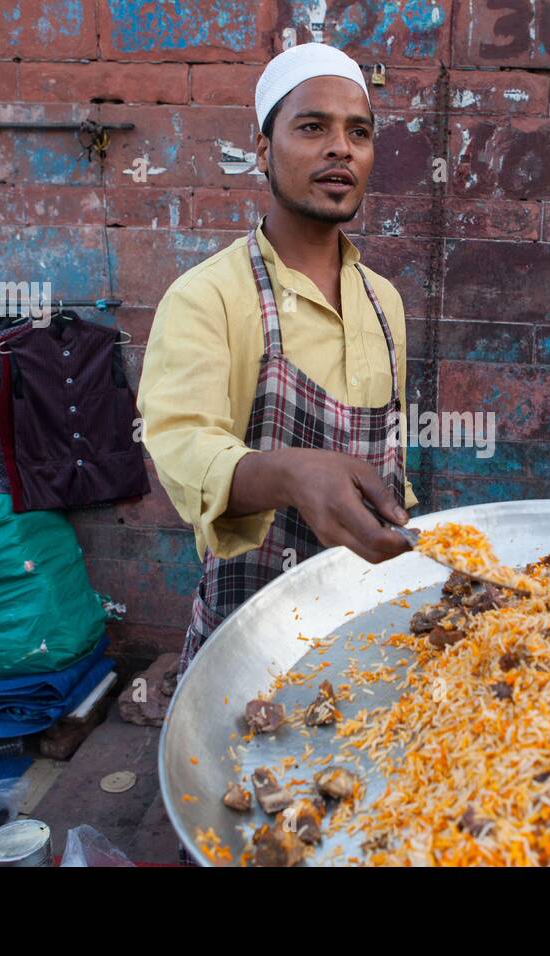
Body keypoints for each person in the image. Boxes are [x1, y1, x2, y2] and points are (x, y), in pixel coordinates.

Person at [137, 43, 416, 679]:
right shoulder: (207, 297)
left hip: (368, 620)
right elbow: (182, 451)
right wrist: (291, 474)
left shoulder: (385, 303)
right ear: (263, 152)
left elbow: (389, 454)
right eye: (313, 127)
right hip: (251, 632)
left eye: (360, 132)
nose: (341, 148)